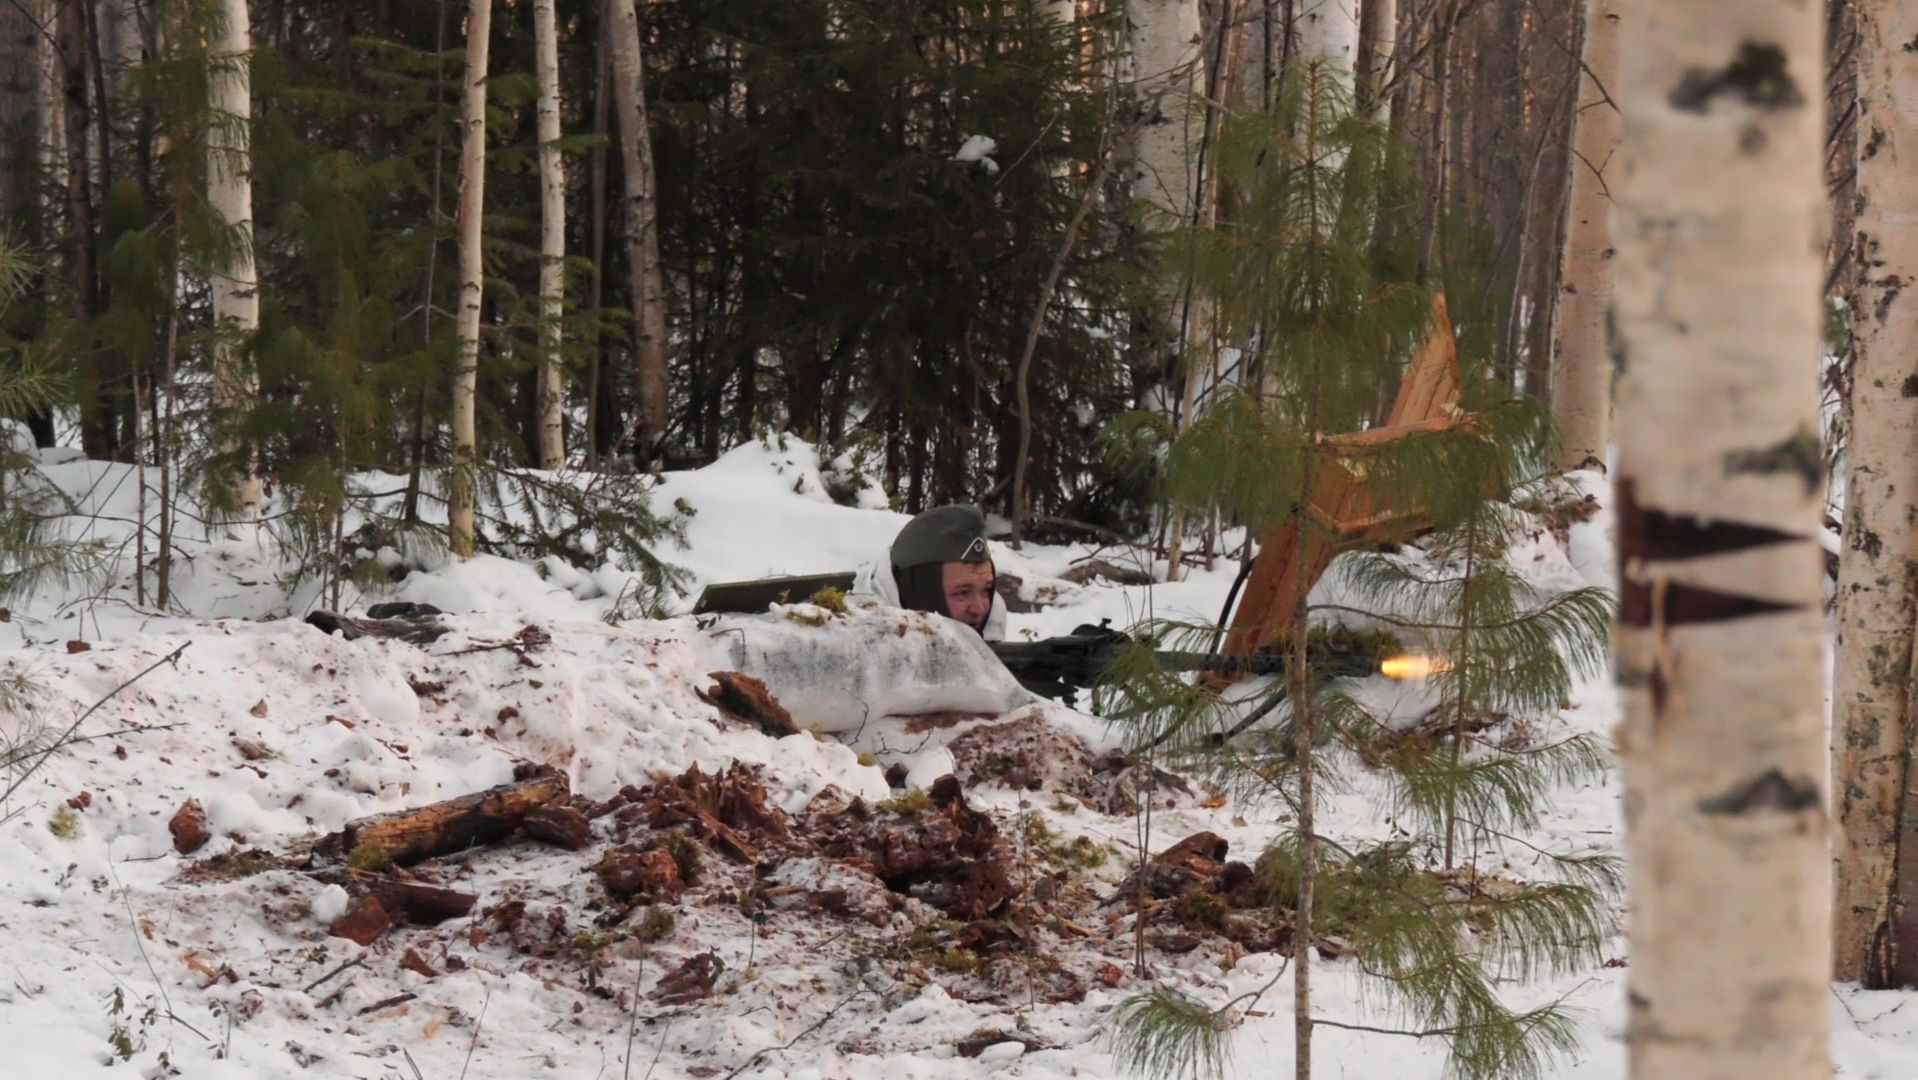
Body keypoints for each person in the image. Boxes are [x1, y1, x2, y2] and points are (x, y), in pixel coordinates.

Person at [853, 504, 1008, 640]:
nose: (979, 609)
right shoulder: (854, 653)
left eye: (986, 590)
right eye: (963, 592)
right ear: (919, 594)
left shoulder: (991, 633)